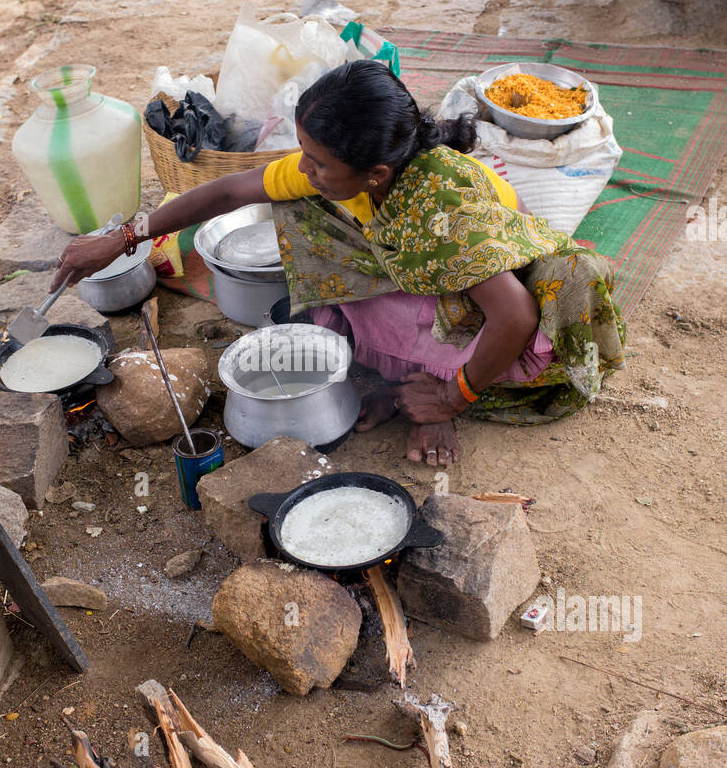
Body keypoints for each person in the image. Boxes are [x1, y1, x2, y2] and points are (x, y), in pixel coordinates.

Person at [52, 62, 625, 467]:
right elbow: (230, 192)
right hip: (436, 265)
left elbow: (516, 316)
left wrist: (453, 397)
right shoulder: (355, 174)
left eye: (319, 161)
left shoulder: (438, 210)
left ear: (375, 172)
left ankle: (434, 388)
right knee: (298, 208)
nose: (304, 167)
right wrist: (126, 236)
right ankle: (417, 373)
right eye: (306, 152)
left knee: (431, 331)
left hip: (502, 291)